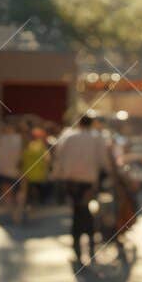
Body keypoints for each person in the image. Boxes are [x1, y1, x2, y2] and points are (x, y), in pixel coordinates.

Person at [53, 113, 117, 267]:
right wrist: (110, 172)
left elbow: (59, 157)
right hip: (88, 182)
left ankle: (78, 247)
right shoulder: (97, 138)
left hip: (71, 181)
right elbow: (103, 160)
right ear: (91, 124)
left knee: (78, 212)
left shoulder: (69, 137)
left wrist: (58, 176)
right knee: (85, 212)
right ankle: (88, 246)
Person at [0, 120, 26, 223]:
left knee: (15, 194)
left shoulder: (8, 139)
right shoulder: (11, 139)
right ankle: (16, 214)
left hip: (10, 171)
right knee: (13, 194)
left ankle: (16, 213)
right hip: (9, 171)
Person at [21, 127, 51, 217]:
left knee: (29, 195)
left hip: (28, 175)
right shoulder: (42, 146)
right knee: (37, 195)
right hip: (39, 175)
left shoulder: (27, 146)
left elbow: (22, 160)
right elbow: (47, 160)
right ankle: (34, 212)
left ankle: (28, 210)